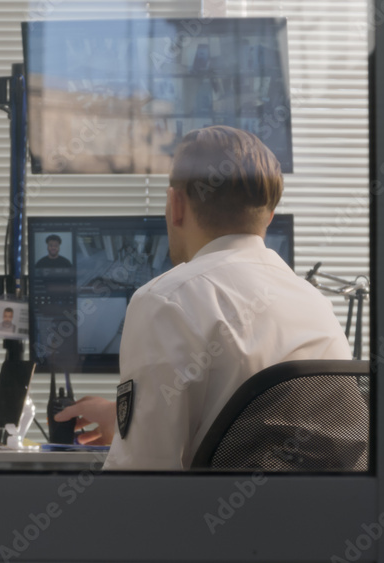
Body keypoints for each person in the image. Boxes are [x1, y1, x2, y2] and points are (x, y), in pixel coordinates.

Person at [55, 126, 352, 470]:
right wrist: (125, 424)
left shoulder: (167, 300)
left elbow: (141, 481)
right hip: (321, 521)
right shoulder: (316, 304)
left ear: (175, 205)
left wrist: (130, 442)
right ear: (268, 216)